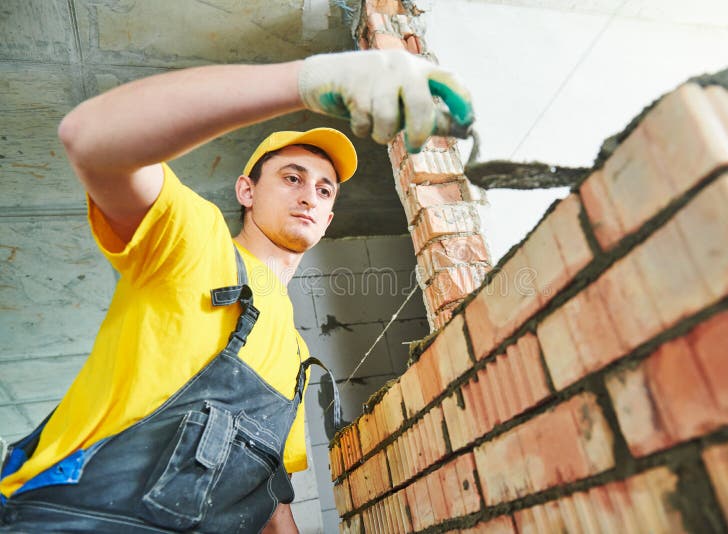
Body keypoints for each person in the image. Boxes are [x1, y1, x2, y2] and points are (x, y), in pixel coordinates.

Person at [0, 49, 473, 532]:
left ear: (328, 221)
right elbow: (90, 137)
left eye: (325, 190)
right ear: (246, 191)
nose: (310, 194)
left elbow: (269, 505)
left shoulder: (295, 355)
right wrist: (305, 80)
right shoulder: (195, 244)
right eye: (292, 178)